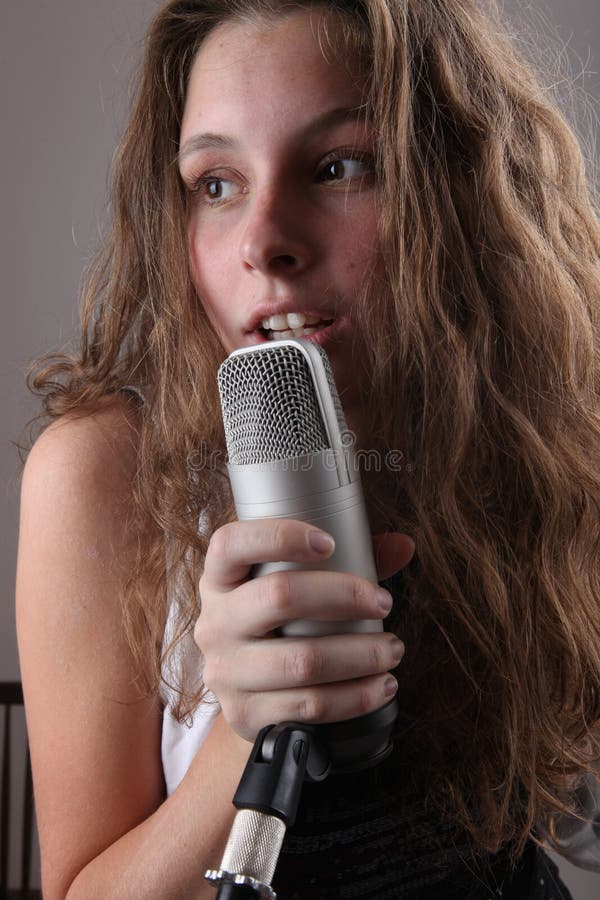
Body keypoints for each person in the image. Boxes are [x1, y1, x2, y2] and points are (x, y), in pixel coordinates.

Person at [15, 1, 600, 898]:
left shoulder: (544, 438)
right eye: (216, 183)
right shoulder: (103, 477)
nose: (263, 243)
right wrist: (246, 734)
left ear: (456, 190)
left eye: (338, 167)